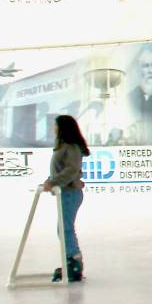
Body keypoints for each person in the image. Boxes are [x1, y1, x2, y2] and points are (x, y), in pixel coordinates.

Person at [44, 115, 90, 282]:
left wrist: (53, 181)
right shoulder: (64, 146)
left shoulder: (71, 147)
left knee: (64, 229)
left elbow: (71, 170)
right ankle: (71, 260)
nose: (53, 128)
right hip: (65, 192)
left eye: (55, 125)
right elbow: (60, 170)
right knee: (64, 228)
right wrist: (49, 181)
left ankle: (74, 262)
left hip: (70, 193)